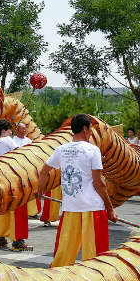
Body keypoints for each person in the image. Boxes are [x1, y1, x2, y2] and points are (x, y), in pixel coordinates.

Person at [37, 114, 117, 268]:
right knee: (95, 257)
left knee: (64, 253)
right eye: (91, 130)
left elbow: (44, 171)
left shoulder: (62, 150)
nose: (92, 133)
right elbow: (99, 183)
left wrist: (40, 192)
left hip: (70, 207)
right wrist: (110, 208)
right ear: (85, 129)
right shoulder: (92, 150)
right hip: (92, 208)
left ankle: (57, 280)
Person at [0, 120, 30, 251]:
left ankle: (0, 237)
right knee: (17, 210)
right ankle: (17, 241)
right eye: (9, 130)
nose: (11, 132)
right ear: (4, 131)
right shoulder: (7, 141)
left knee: (2, 208)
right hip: (12, 180)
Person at [12, 123, 41, 220]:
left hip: (28, 168)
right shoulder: (13, 140)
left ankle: (32, 211)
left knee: (31, 187)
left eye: (25, 129)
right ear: (17, 130)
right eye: (22, 129)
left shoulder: (29, 141)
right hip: (17, 168)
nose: (24, 131)